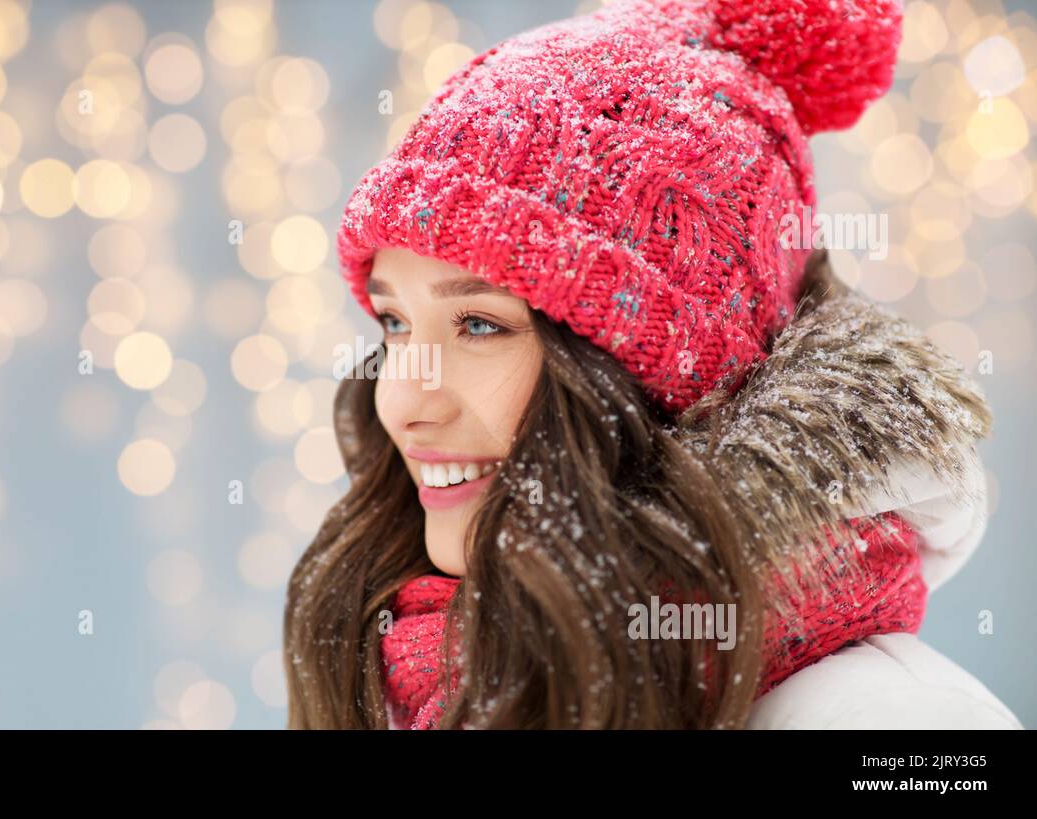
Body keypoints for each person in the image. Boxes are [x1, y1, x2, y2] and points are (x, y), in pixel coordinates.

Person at [282, 0, 1023, 729]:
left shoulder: (903, 726)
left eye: (479, 324)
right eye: (395, 322)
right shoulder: (414, 677)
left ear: (676, 375)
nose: (404, 401)